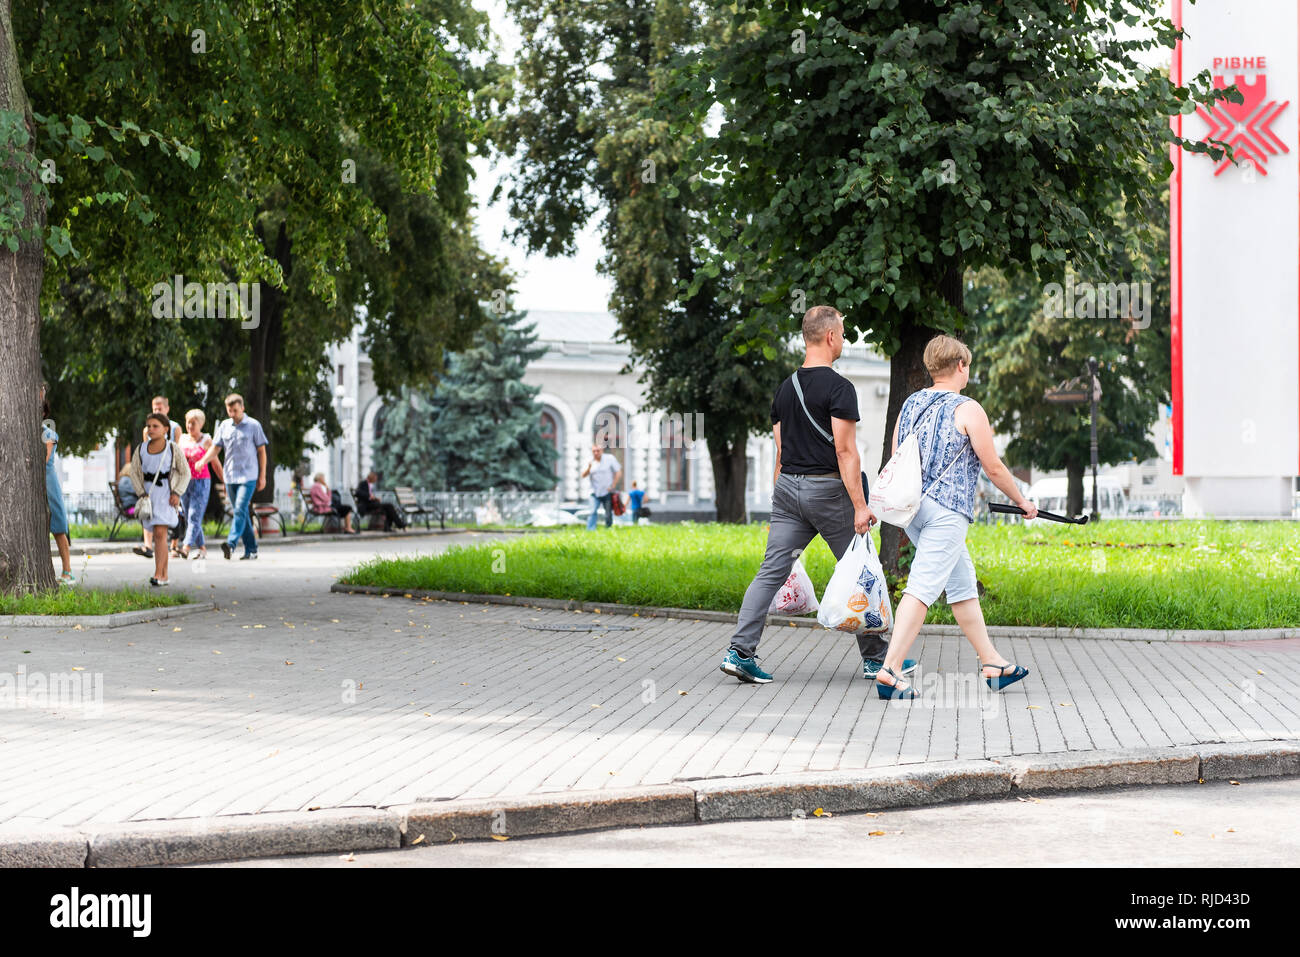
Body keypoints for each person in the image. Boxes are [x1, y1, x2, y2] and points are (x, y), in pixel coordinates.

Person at [720, 305, 917, 685]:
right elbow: (845, 452)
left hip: (788, 490)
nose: (843, 339)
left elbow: (780, 452)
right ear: (829, 337)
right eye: (842, 333)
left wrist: (778, 504)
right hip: (829, 492)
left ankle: (740, 652)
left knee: (770, 572)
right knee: (861, 567)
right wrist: (861, 505)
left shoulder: (784, 388)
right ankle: (877, 659)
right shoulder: (840, 388)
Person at [874, 335, 1038, 699]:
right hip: (946, 513)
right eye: (968, 365)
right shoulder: (968, 409)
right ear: (961, 366)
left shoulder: (910, 404)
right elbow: (993, 467)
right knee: (921, 589)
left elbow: (896, 456)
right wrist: (1023, 501)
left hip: (914, 511)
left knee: (962, 584)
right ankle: (890, 669)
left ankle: (992, 662)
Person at [194, 393, 267, 560]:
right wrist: (203, 461)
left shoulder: (254, 426)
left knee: (240, 508)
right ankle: (252, 549)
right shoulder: (225, 426)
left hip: (249, 476)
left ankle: (231, 544)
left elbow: (262, 452)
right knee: (240, 512)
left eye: (235, 410)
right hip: (230, 476)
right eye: (229, 411)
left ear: (242, 408)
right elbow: (216, 448)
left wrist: (263, 476)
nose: (232, 414)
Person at [128, 412, 190, 586]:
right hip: (148, 497)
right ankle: (164, 575)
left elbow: (185, 472)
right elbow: (134, 472)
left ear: (165, 429)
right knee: (158, 535)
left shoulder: (172, 448)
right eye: (149, 426)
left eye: (155, 426)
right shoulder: (141, 449)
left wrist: (177, 493)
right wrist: (141, 492)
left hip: (166, 496)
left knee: (160, 533)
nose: (151, 429)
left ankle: (158, 574)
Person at [41, 384, 75, 585]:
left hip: (47, 481)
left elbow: (45, 459)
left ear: (44, 413)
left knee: (58, 526)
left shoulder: (47, 432)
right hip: (34, 483)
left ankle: (67, 570)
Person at [177, 409, 221, 560]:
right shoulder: (182, 440)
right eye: (188, 422)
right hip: (184, 483)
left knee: (194, 515)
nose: (190, 425)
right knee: (190, 517)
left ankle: (186, 547)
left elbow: (215, 463)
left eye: (193, 423)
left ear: (201, 424)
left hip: (201, 482)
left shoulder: (206, 441)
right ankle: (202, 549)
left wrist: (225, 482)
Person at [581, 445, 622, 530]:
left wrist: (613, 485)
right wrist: (589, 468)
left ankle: (608, 529)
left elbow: (618, 472)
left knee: (608, 513)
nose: (596, 453)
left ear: (602, 450)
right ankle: (590, 531)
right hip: (594, 492)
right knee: (592, 511)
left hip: (607, 491)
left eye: (598, 451)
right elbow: (583, 475)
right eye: (594, 451)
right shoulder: (589, 461)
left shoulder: (610, 459)